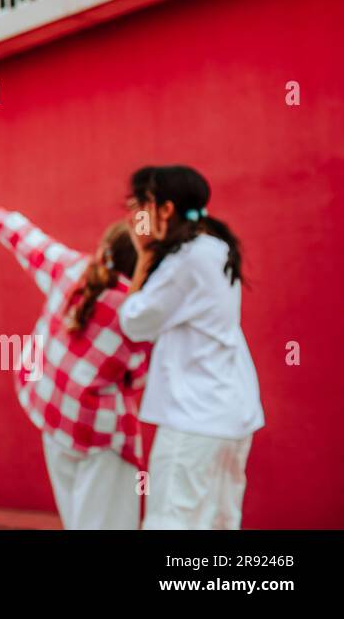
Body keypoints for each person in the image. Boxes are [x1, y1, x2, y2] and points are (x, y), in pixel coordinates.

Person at [0, 186, 150, 529]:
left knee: (75, 518)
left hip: (52, 414)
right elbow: (140, 376)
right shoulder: (138, 313)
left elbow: (32, 242)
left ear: (105, 250)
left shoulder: (73, 270)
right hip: (100, 434)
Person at [120, 165, 263, 530]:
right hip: (232, 415)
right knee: (220, 521)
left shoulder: (184, 261)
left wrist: (145, 255)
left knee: (171, 521)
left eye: (143, 203)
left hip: (195, 420)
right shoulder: (215, 248)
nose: (137, 213)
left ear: (164, 209)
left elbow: (134, 321)